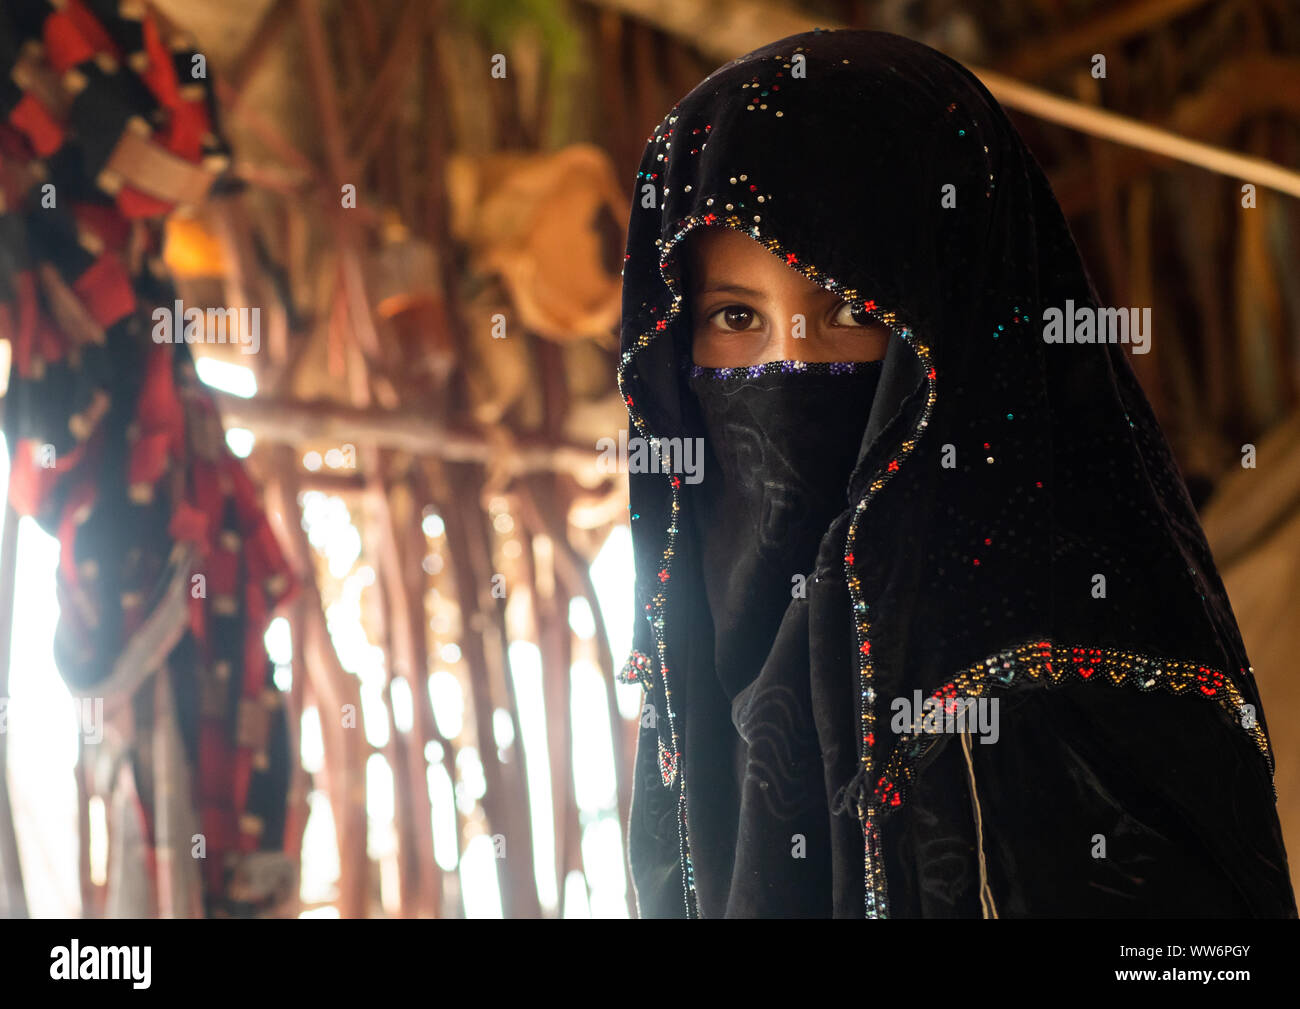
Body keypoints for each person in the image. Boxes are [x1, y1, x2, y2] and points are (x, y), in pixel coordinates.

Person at [615, 28, 1297, 918]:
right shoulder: (688, 695)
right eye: (736, 315)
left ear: (965, 325)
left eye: (853, 308)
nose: (790, 364)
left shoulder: (1082, 687)